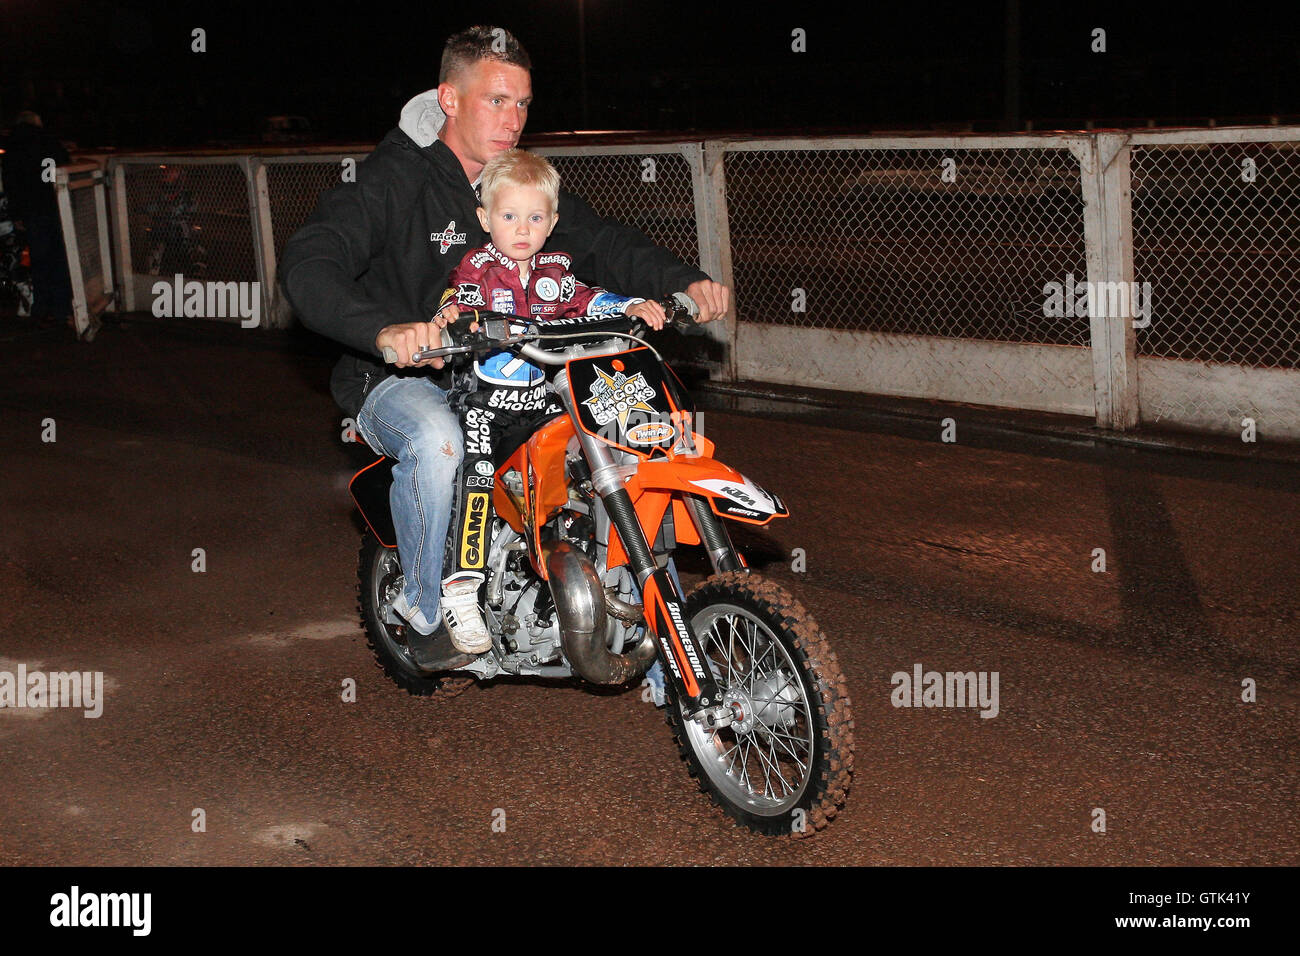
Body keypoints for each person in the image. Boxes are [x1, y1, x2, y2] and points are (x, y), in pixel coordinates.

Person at [280, 25, 729, 666]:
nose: (512, 118)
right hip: (403, 376)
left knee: (626, 426)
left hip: (511, 368)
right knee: (440, 441)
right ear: (450, 99)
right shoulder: (392, 181)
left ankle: (636, 603)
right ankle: (428, 609)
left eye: (522, 103)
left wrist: (680, 281)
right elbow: (309, 261)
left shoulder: (516, 189)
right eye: (496, 100)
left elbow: (602, 241)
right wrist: (385, 330)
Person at [434, 148, 669, 653]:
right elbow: (456, 299)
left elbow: (586, 298)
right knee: (473, 475)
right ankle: (460, 591)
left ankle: (599, 565)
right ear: (485, 218)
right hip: (487, 406)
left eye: (535, 217)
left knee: (600, 446)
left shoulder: (553, 270)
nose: (522, 228)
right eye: (509, 215)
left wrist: (630, 305)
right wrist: (455, 317)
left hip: (543, 401)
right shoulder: (478, 268)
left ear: (552, 222)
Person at [1, 112, 73, 328]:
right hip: (55, 205)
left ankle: (41, 308)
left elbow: (11, 182)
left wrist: (17, 214)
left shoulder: (14, 146)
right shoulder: (50, 141)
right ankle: (62, 308)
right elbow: (64, 166)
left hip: (32, 210)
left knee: (40, 260)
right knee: (60, 258)